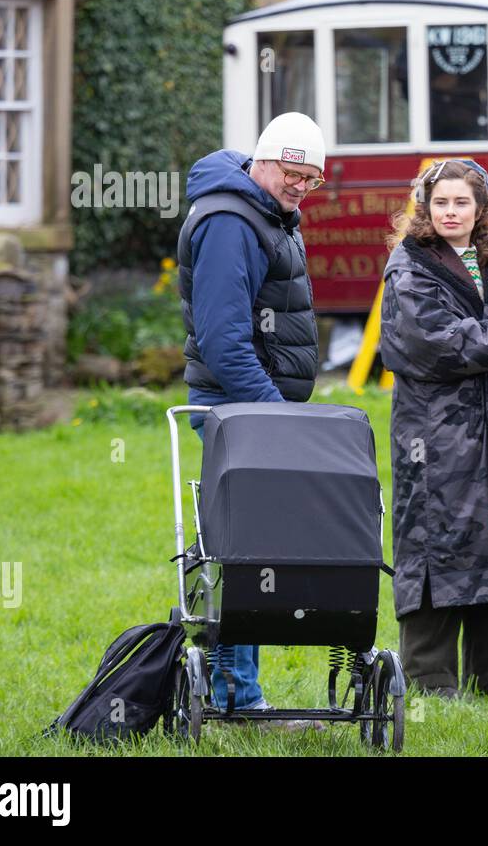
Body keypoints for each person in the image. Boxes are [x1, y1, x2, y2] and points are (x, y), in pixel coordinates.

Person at [379, 158, 488, 699]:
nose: (451, 212)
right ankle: (432, 679)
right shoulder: (407, 268)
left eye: (462, 202)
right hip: (434, 439)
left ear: (481, 208)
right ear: (425, 208)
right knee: (437, 544)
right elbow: (434, 344)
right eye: (441, 202)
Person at [177, 111, 323, 723]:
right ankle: (235, 693)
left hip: (257, 411)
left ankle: (235, 688)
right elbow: (222, 337)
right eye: (293, 173)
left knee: (253, 540)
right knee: (240, 545)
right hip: (239, 412)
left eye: (312, 179)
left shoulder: (261, 210)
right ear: (263, 160)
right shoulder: (232, 222)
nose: (300, 187)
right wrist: (271, 413)